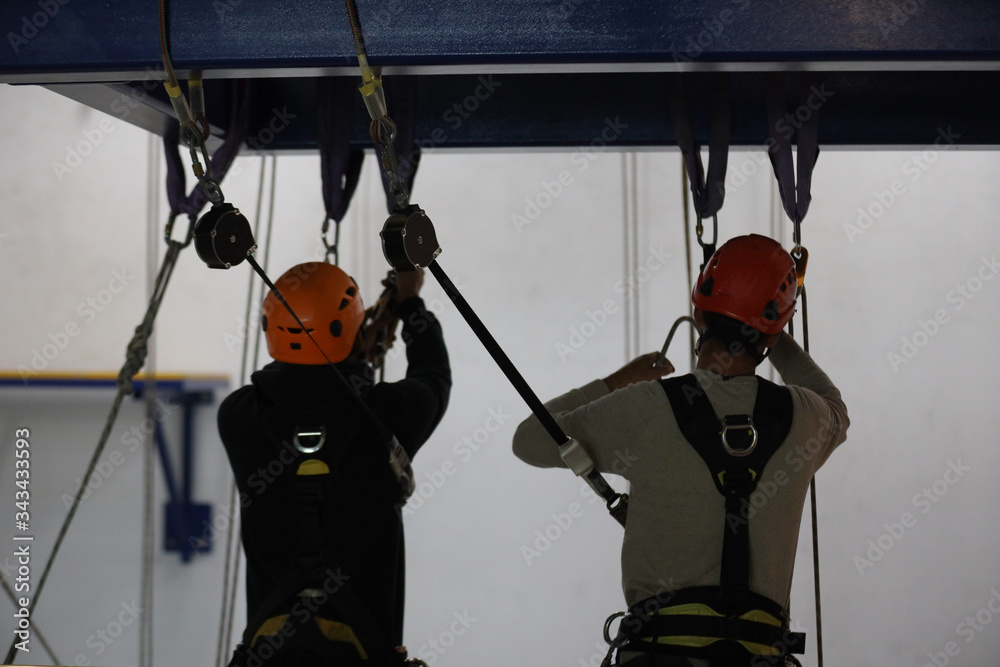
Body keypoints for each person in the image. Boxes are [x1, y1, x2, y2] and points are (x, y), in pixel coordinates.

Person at [512, 234, 849, 667]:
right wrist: (772, 327)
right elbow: (835, 405)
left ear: (698, 314)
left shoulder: (646, 406)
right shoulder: (807, 417)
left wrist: (618, 380)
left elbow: (531, 440)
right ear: (772, 332)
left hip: (659, 654)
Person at [218, 262, 451, 667]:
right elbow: (433, 373)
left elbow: (304, 391)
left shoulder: (238, 418)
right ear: (354, 333)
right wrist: (410, 301)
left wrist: (352, 353)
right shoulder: (389, 415)